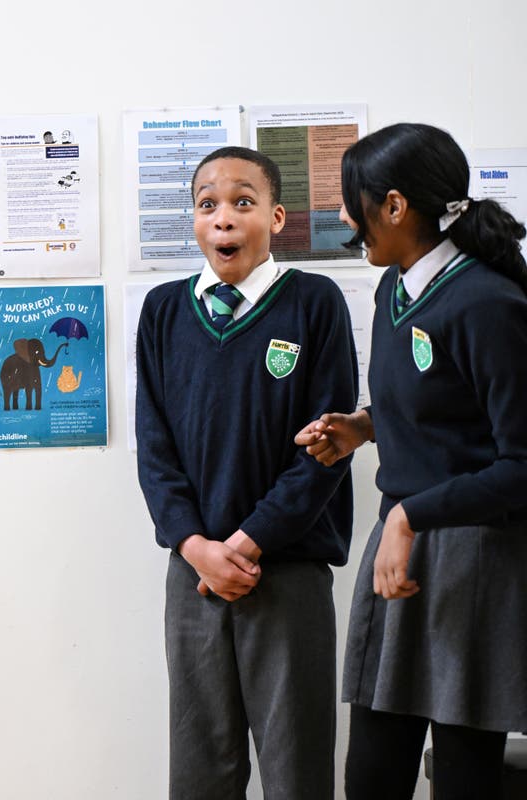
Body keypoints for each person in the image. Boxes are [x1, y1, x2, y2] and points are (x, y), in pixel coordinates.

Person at [295, 123, 527, 800]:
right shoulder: (393, 289)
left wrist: (409, 518)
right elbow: (445, 407)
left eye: (351, 200)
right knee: (371, 775)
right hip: (401, 547)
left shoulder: (488, 303)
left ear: (395, 206)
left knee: (463, 778)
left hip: (475, 565)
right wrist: (364, 427)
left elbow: (519, 463)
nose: (343, 216)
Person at [135, 146, 358, 800]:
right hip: (195, 573)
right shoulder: (164, 311)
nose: (223, 219)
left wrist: (249, 540)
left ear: (277, 217)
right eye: (208, 205)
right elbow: (154, 447)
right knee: (202, 766)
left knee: (296, 768)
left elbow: (327, 448)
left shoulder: (314, 303)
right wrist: (197, 545)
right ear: (194, 222)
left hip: (283, 571)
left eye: (242, 202)